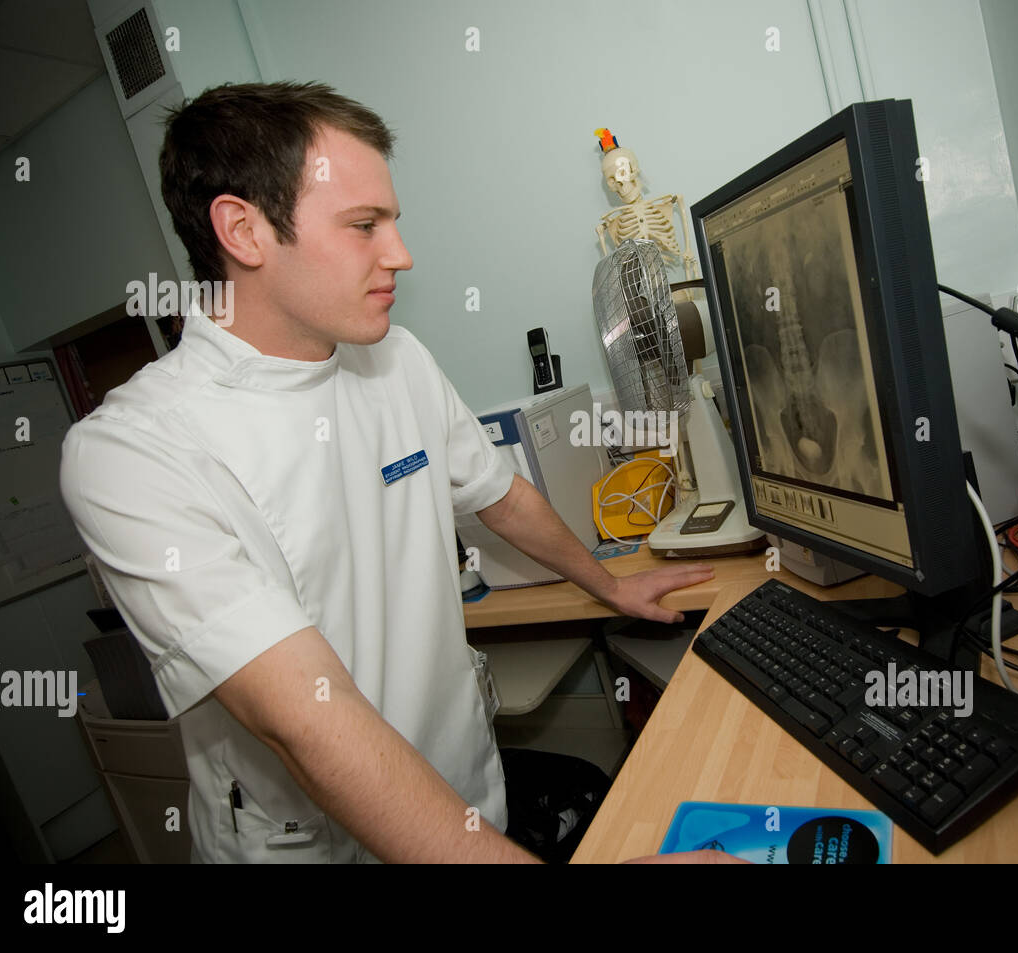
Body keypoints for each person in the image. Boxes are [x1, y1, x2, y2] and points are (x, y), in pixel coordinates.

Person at [60, 81, 732, 864]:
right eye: (364, 225)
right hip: (315, 844)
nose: (400, 255)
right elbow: (307, 720)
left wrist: (609, 585)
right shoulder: (132, 451)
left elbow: (501, 496)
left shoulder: (394, 358)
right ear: (242, 229)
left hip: (460, 798)